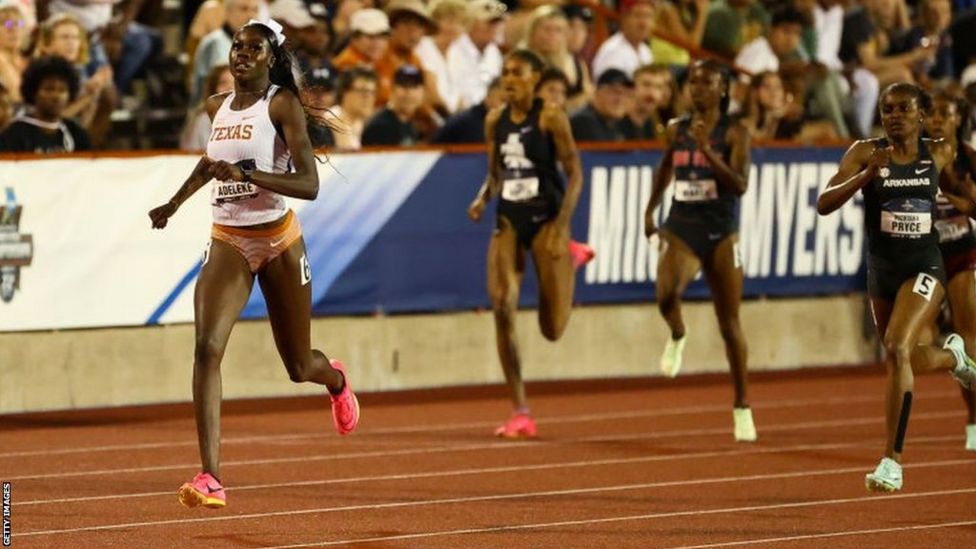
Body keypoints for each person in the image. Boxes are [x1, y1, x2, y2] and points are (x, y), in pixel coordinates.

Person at [147, 18, 359, 509]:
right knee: (206, 347)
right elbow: (209, 161)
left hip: (280, 241)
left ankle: (337, 380)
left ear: (271, 58)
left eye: (254, 48)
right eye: (237, 46)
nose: (241, 53)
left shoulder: (281, 104)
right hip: (228, 240)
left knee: (298, 365)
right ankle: (210, 477)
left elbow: (308, 184)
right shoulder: (215, 106)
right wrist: (174, 203)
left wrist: (250, 173)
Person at [816, 83, 976, 492]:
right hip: (882, 270)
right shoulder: (864, 152)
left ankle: (892, 460)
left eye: (904, 109)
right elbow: (825, 202)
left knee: (899, 346)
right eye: (888, 109)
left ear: (922, 115)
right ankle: (952, 356)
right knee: (898, 354)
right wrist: (868, 175)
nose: (894, 116)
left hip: (924, 264)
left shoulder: (938, 152)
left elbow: (965, 189)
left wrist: (965, 205)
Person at [466, 49, 592, 438]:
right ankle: (521, 410)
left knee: (552, 328)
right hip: (510, 216)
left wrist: (563, 225)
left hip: (548, 218)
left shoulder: (551, 116)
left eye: (517, 72)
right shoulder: (494, 120)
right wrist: (482, 198)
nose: (509, 79)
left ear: (535, 79)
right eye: (505, 72)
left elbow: (575, 175)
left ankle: (570, 258)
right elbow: (496, 172)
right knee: (503, 305)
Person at [642, 60, 755, 442]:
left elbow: (739, 184)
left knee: (730, 323)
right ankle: (677, 333)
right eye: (693, 82)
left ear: (723, 88)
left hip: (722, 230)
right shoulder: (677, 129)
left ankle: (742, 406)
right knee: (664, 294)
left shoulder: (736, 131)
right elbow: (664, 169)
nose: (699, 88)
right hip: (682, 225)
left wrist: (709, 152)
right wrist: (649, 209)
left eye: (708, 83)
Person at [923, 91, 976, 451]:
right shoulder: (914, 155)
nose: (937, 119)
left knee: (968, 330)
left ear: (959, 119)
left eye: (945, 113)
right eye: (932, 114)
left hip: (961, 252)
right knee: (913, 342)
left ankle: (973, 419)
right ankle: (950, 354)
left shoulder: (969, 158)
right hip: (923, 254)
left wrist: (950, 191)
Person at [0, 55, 91, 152]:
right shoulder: (15, 133)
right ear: (34, 92)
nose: (56, 96)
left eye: (62, 90)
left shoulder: (76, 133)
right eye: (49, 89)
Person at [361, 63, 423, 146]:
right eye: (404, 86)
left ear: (423, 92)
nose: (409, 93)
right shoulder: (379, 128)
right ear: (392, 90)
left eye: (414, 87)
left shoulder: (411, 127)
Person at [432, 76, 503, 143]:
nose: (507, 106)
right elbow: (430, 151)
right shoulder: (460, 124)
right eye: (503, 100)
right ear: (488, 97)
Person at [570, 68, 632, 142]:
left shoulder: (613, 125)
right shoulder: (584, 122)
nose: (620, 100)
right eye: (614, 92)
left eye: (625, 94)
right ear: (596, 93)